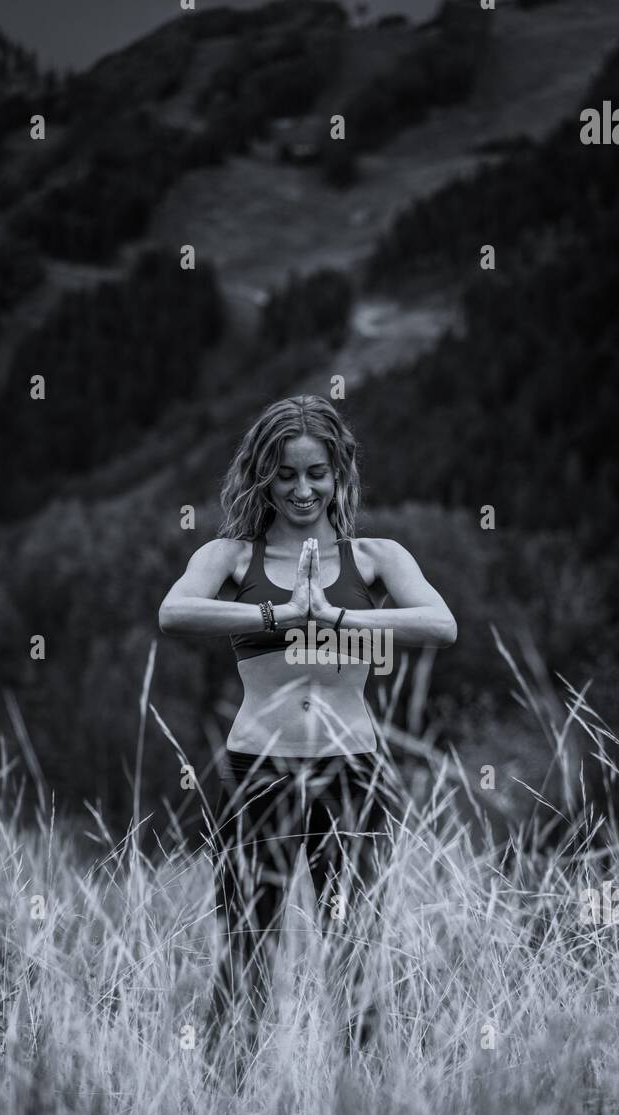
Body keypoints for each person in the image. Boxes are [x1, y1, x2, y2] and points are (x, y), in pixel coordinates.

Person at [159, 395, 457, 1062]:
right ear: (262, 476)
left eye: (316, 472)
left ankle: (364, 1114)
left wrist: (339, 620)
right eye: (285, 474)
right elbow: (174, 612)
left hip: (351, 773)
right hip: (256, 771)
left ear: (339, 472)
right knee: (245, 951)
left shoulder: (377, 558)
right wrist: (278, 617)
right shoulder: (231, 556)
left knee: (354, 951)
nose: (301, 489)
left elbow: (441, 625)